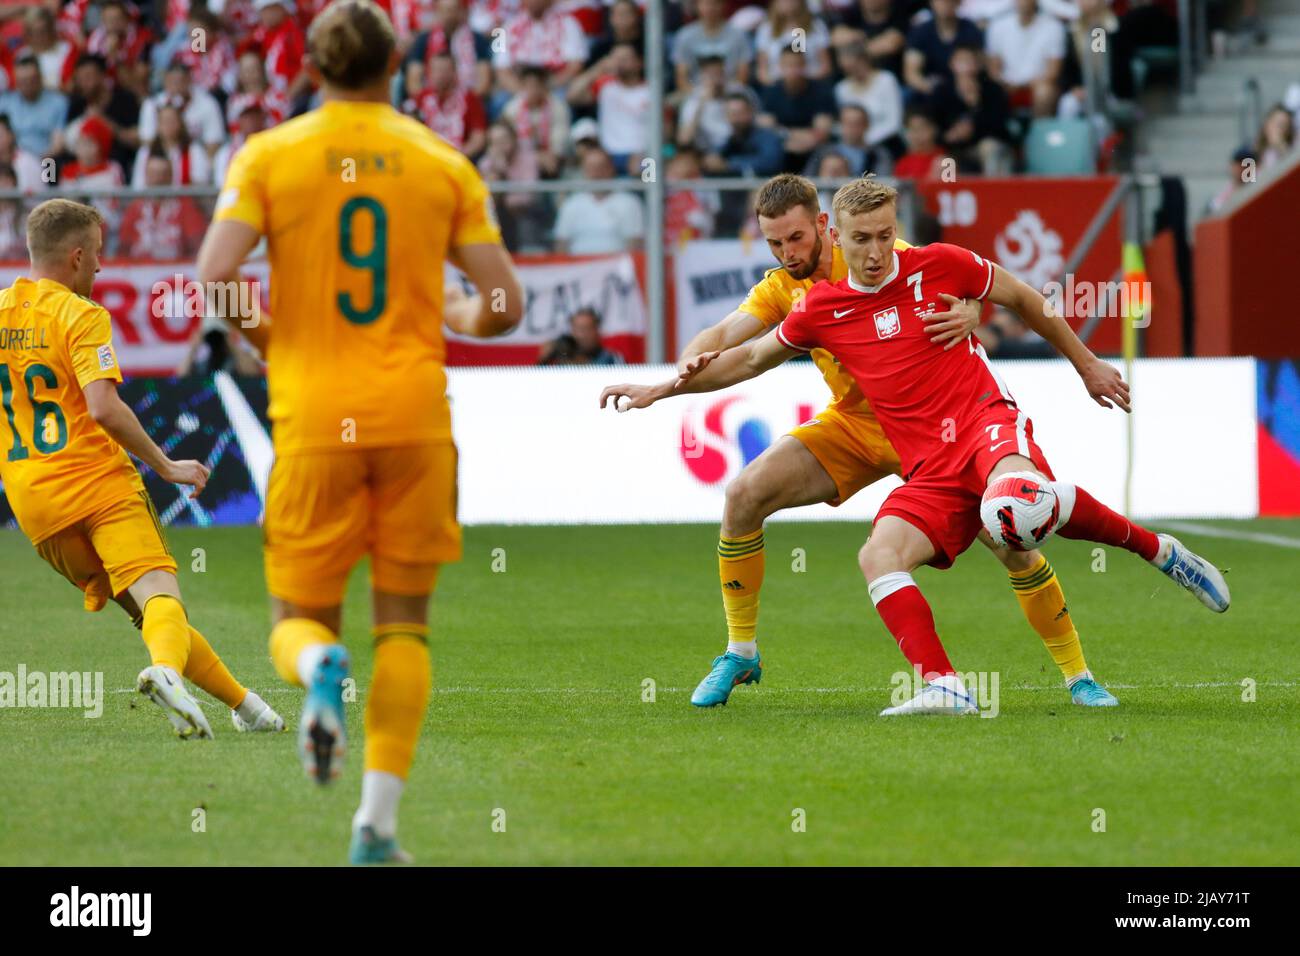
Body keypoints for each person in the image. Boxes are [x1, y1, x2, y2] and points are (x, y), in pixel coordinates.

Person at [600, 176, 1230, 716]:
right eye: (775, 242)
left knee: (1012, 527)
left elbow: (1005, 296)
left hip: (970, 424)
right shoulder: (808, 301)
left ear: (827, 228)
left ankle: (1105, 636)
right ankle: (898, 678)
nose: (790, 250)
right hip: (878, 432)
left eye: (797, 237)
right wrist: (665, 385)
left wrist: (1060, 352)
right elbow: (741, 353)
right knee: (797, 519)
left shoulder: (913, 258)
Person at [197, 0, 524, 864]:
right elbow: (504, 305)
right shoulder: (439, 159)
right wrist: (452, 307)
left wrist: (278, 344)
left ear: (311, 68)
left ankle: (316, 672)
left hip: (312, 419)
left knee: (294, 620)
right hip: (415, 418)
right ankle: (375, 828)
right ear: (397, 68)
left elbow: (217, 275)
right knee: (406, 629)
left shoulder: (270, 154)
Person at [0, 198, 284, 739]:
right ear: (77, 257)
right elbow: (104, 407)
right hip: (96, 487)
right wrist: (166, 465)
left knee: (151, 615)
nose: (102, 268)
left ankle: (247, 708)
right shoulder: (80, 315)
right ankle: (166, 673)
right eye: (98, 256)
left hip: (36, 509)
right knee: (161, 596)